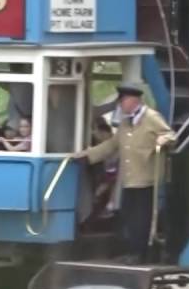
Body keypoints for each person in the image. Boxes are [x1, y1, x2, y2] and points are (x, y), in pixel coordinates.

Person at [73, 83, 175, 264]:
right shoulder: (125, 123)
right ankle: (131, 251)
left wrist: (163, 139)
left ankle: (139, 254)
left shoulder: (151, 117)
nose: (121, 104)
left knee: (142, 218)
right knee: (128, 216)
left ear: (134, 100)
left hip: (146, 178)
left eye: (123, 100)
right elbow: (112, 145)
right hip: (130, 179)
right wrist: (88, 156)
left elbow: (170, 135)